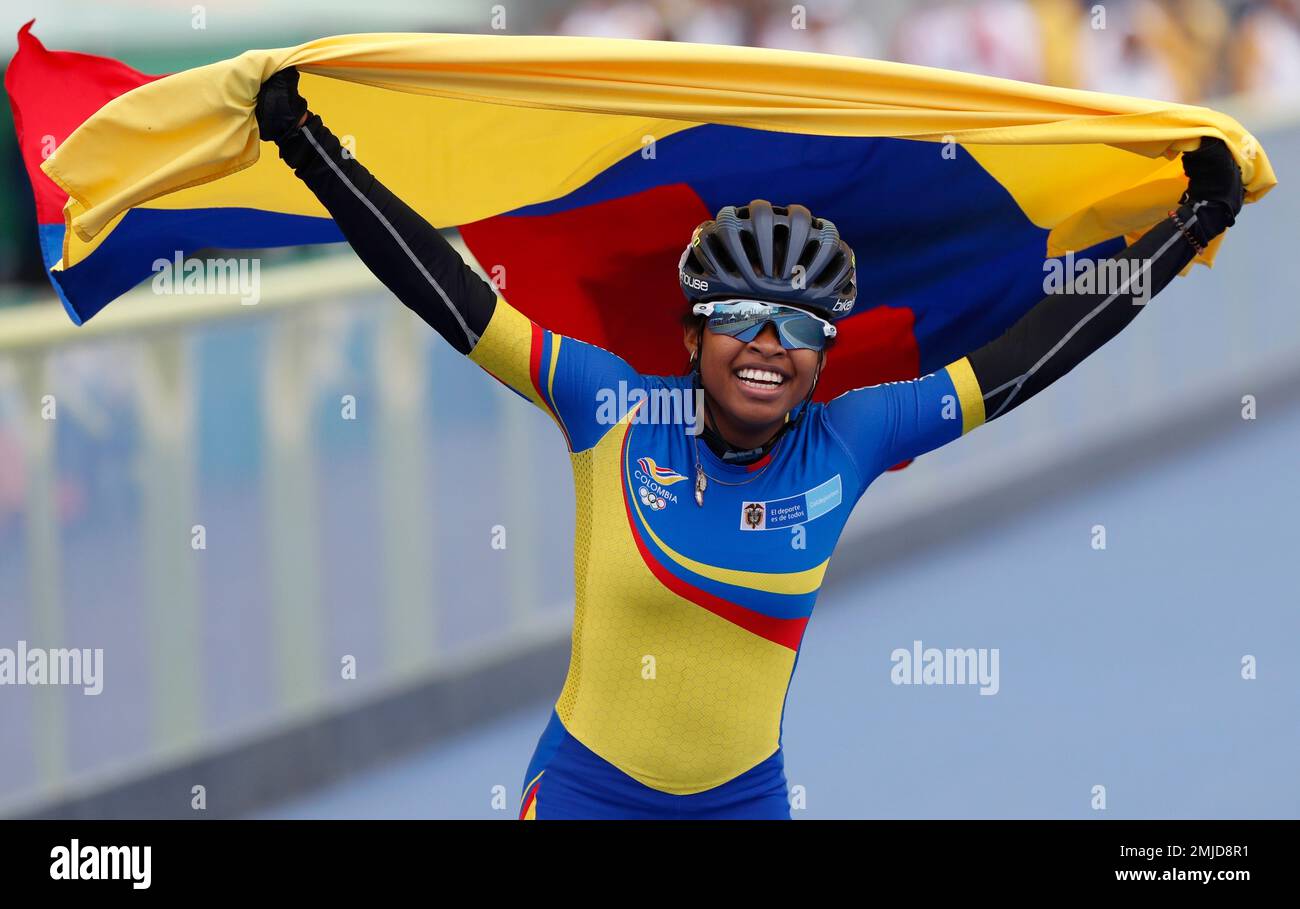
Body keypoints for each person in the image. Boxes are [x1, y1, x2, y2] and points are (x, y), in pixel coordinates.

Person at [255, 68, 1244, 820]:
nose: (769, 349)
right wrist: (309, 146)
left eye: (803, 329)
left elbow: (1024, 359)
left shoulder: (855, 435)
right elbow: (456, 297)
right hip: (584, 798)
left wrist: (1180, 228)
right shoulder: (608, 405)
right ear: (691, 335)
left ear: (826, 355)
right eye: (739, 318)